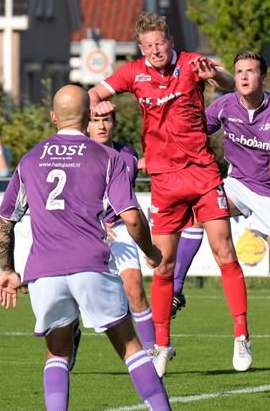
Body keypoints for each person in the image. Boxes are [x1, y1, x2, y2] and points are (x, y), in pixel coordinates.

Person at [88, 11, 251, 376]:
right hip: (165, 180)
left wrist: (216, 75)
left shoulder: (192, 63)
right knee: (163, 264)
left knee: (224, 250)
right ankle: (162, 345)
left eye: (160, 43)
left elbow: (229, 83)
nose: (155, 50)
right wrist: (96, 102)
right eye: (148, 46)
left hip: (202, 172)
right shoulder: (134, 73)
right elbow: (94, 92)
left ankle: (241, 334)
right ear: (141, 48)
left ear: (170, 42)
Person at [0, 85, 170, 410]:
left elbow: (3, 222)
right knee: (130, 347)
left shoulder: (30, 160)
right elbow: (132, 218)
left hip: (44, 271)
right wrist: (151, 251)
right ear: (89, 116)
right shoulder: (108, 156)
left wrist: (7, 270)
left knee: (57, 353)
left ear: (53, 117)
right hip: (90, 263)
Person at [169, 52, 270, 379]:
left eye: (251, 71)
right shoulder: (225, 105)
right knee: (197, 210)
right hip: (238, 186)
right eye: (240, 71)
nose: (244, 76)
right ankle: (176, 290)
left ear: (263, 76)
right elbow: (192, 133)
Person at [83, 108, 155, 354]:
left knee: (134, 288)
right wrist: (95, 223)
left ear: (114, 123)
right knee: (83, 303)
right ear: (86, 125)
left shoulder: (127, 154)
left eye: (106, 120)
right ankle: (68, 341)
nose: (101, 125)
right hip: (87, 230)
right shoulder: (79, 155)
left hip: (120, 229)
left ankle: (153, 353)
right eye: (95, 120)